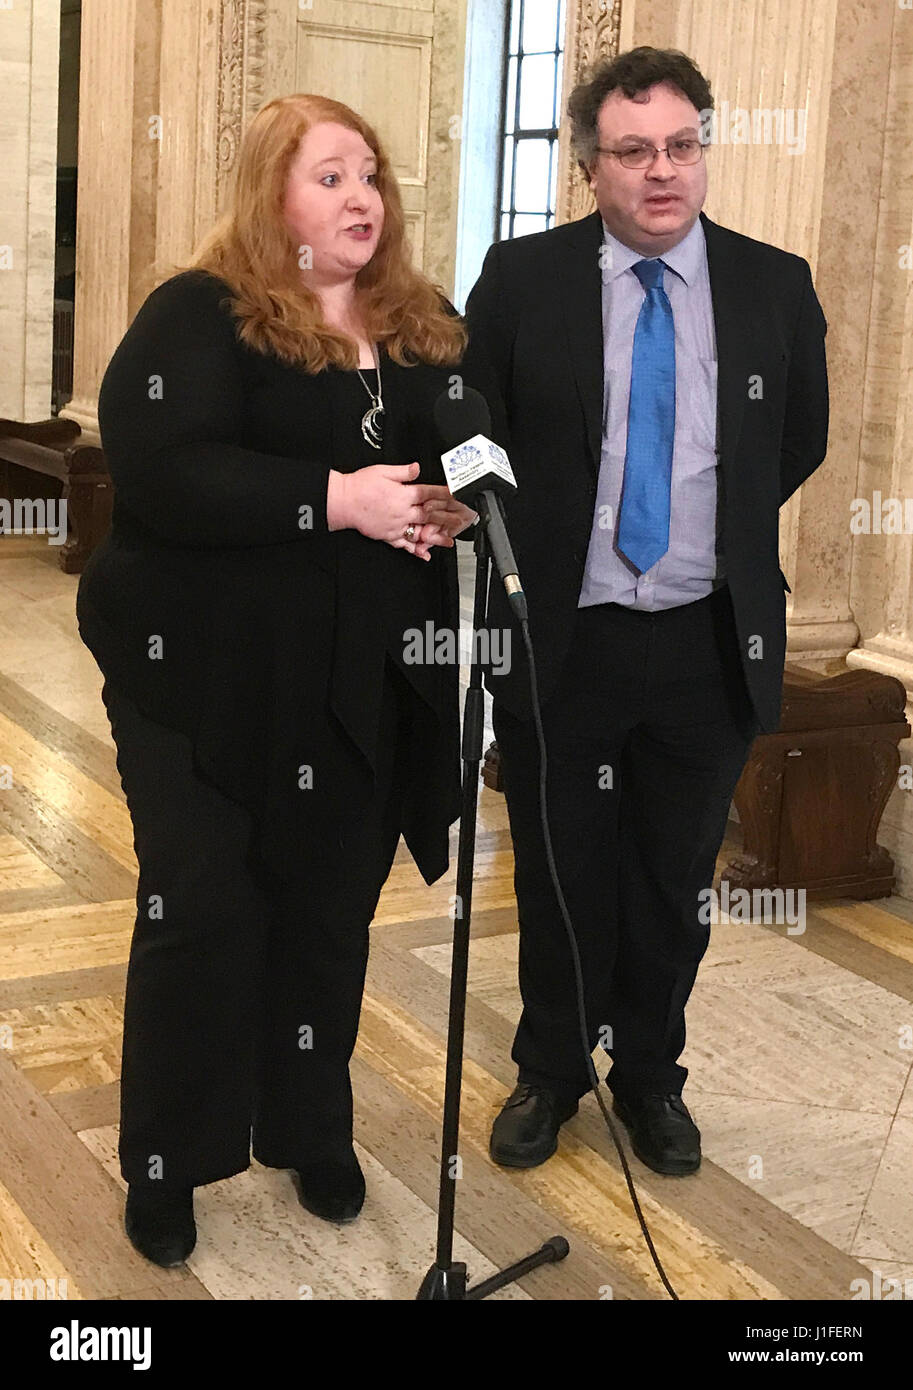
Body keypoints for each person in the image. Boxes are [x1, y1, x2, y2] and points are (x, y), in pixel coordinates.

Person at [76, 93, 477, 1267]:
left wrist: (468, 498)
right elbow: (162, 471)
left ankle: (310, 1126)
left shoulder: (419, 319)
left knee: (326, 909)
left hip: (360, 684)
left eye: (372, 176)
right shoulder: (200, 314)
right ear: (272, 196)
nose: (363, 198)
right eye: (331, 177)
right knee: (202, 908)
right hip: (200, 681)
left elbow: (479, 434)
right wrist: (335, 497)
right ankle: (168, 1156)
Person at [463, 47, 828, 1176]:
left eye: (680, 145)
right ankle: (551, 1069)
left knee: (672, 881)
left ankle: (650, 1077)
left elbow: (794, 441)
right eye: (632, 151)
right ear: (590, 168)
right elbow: (475, 434)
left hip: (703, 642)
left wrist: (691, 532)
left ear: (704, 151)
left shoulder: (774, 282)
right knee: (562, 871)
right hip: (564, 638)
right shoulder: (523, 280)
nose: (661, 171)